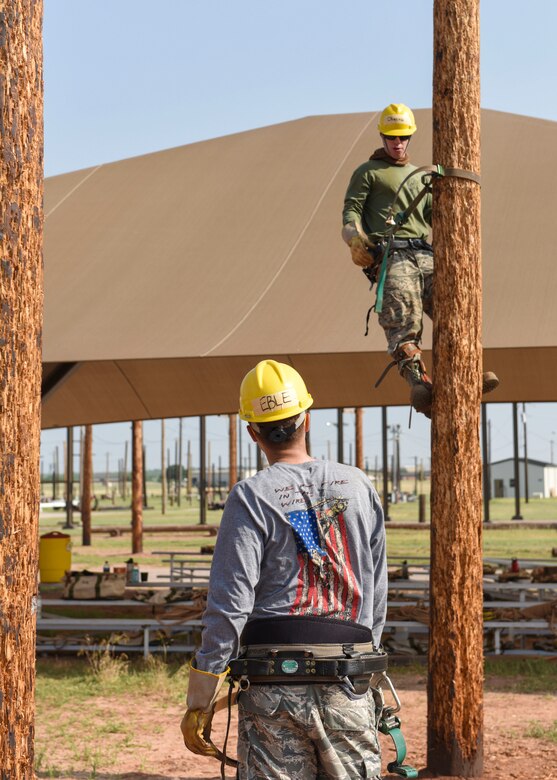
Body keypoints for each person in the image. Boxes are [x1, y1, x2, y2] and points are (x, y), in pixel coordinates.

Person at [181, 359, 389, 779]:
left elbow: (230, 604)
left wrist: (201, 697)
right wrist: (365, 663)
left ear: (252, 432)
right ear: (306, 419)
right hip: (347, 680)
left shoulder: (251, 497)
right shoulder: (358, 485)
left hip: (272, 688)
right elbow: (376, 589)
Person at [342, 102, 499, 417]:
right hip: (392, 253)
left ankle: (467, 373)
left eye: (403, 137)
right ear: (383, 136)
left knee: (455, 309)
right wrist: (354, 239)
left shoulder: (419, 176)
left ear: (410, 137)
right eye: (391, 137)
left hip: (424, 252)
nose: (397, 143)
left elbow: (432, 215)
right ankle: (419, 383)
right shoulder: (368, 172)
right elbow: (351, 210)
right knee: (403, 319)